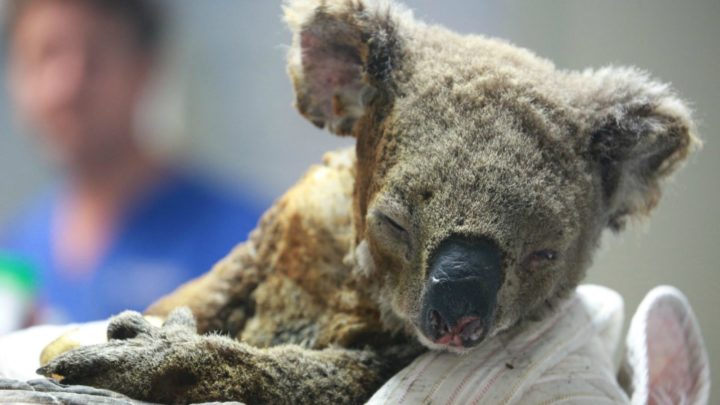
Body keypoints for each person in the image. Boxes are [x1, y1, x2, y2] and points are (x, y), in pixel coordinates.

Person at [0, 0, 263, 328]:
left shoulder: (246, 244)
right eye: (45, 54)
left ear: (145, 68)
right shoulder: (16, 254)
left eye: (94, 57)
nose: (66, 86)